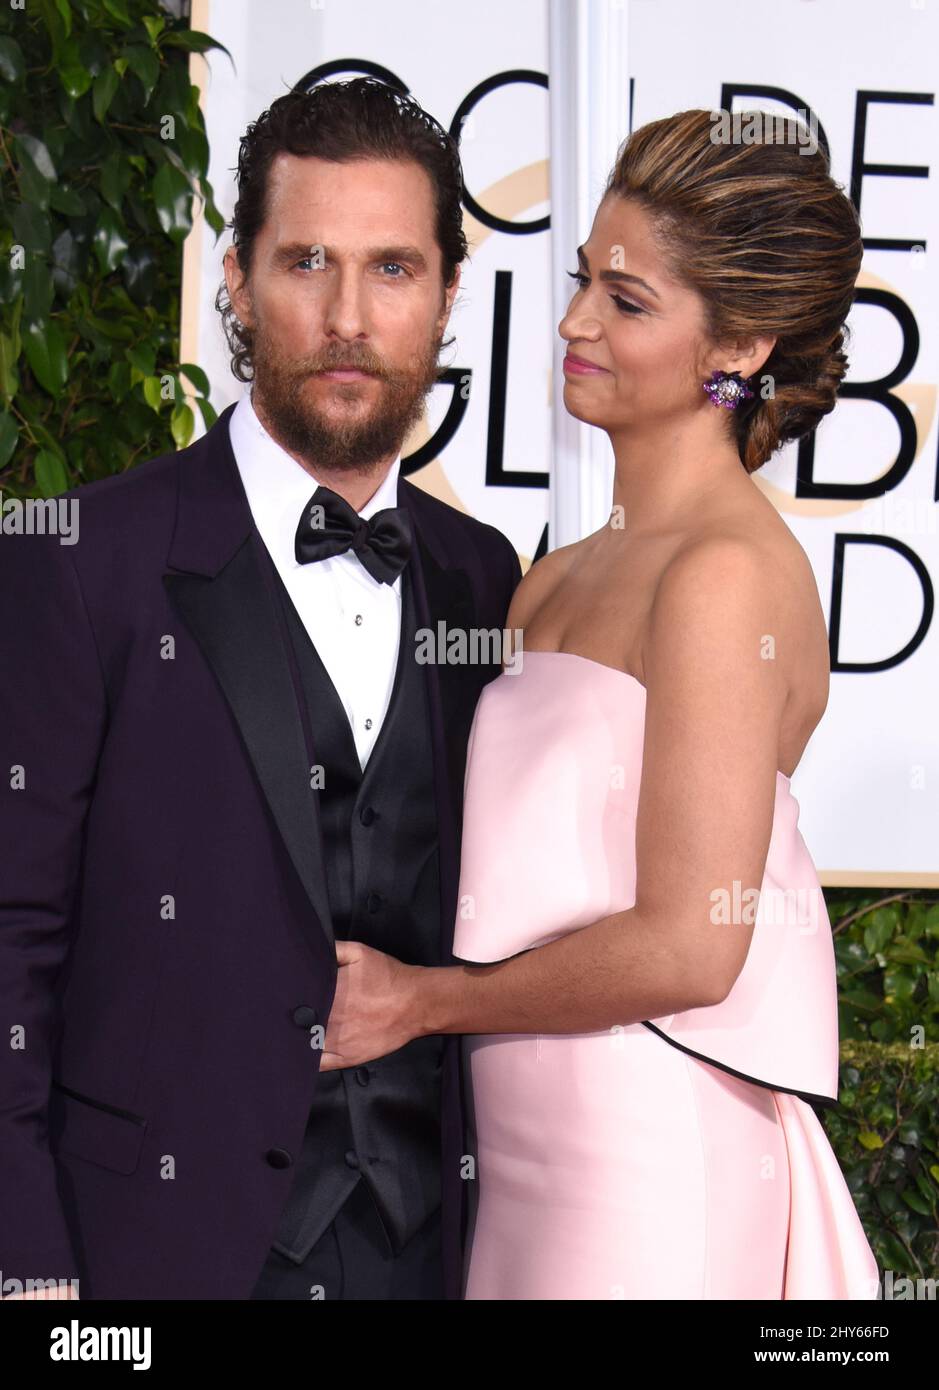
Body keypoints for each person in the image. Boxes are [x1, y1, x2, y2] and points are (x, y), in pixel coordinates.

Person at [320, 109, 881, 1299]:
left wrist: (423, 1003)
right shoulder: (556, 573)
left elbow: (688, 944)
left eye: (627, 304)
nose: (573, 321)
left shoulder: (725, 578)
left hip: (653, 1162)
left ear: (741, 346)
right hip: (514, 1157)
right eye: (584, 281)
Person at [0, 78, 519, 1301]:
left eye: (393, 269)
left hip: (422, 1257)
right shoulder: (80, 559)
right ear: (235, 278)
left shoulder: (482, 578)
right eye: (306, 263)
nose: (349, 316)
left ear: (448, 293)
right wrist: (29, 1272)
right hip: (149, 1260)